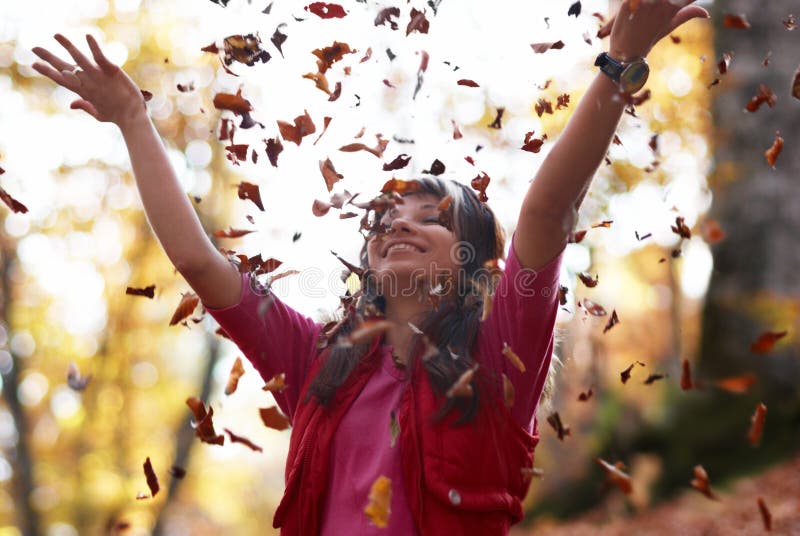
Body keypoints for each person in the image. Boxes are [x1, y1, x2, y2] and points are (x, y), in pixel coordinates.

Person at [31, 1, 709, 533]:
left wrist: (618, 62)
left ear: (471, 263)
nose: (398, 221)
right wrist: (133, 121)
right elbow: (197, 262)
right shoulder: (314, 361)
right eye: (387, 214)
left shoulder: (502, 359)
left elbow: (545, 211)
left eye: (432, 217)